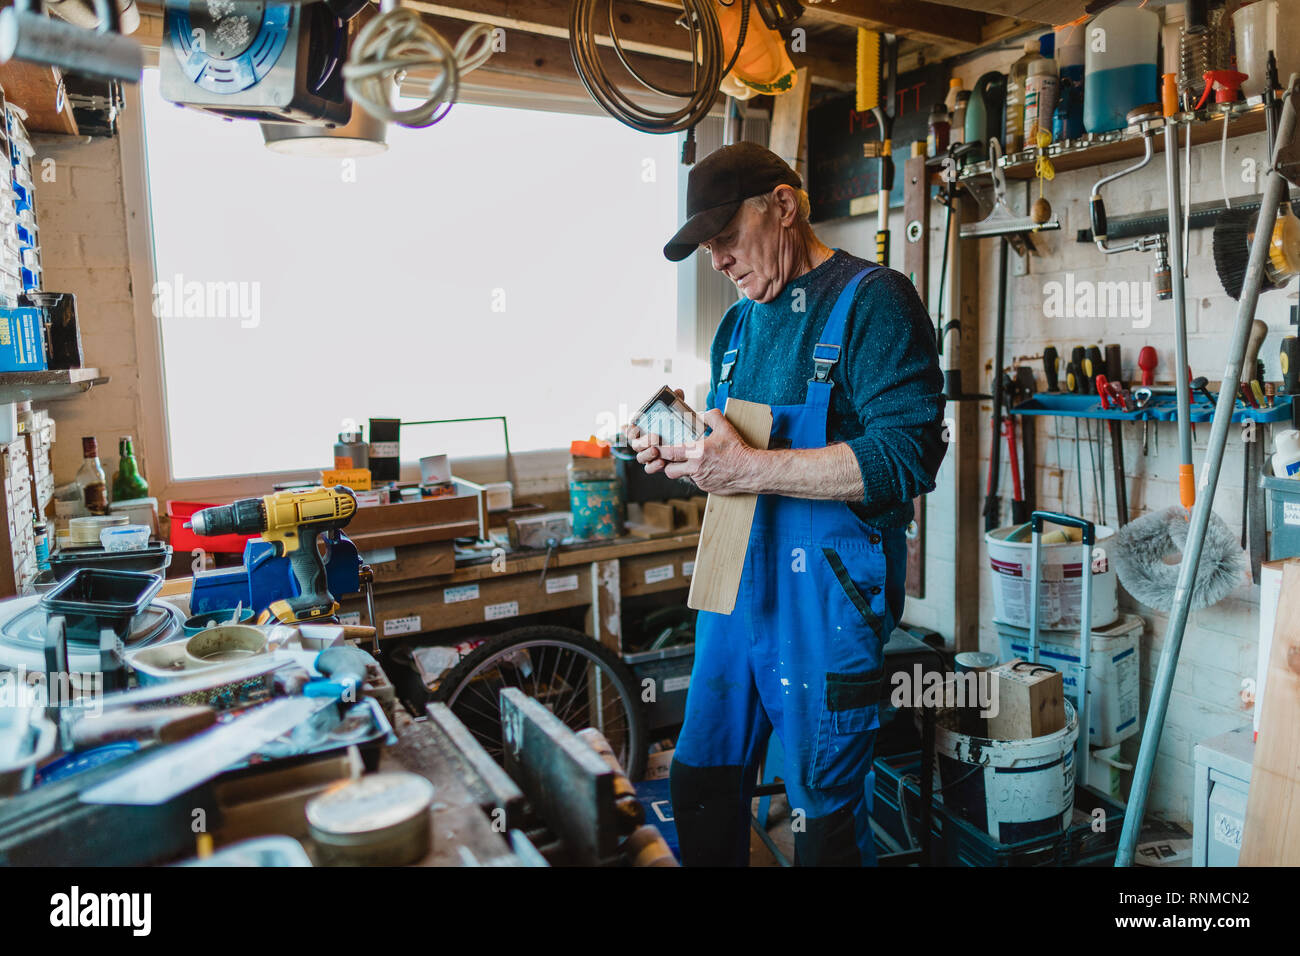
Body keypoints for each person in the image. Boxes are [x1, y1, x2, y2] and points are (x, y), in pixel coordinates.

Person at [628, 142, 946, 866]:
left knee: (820, 814)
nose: (718, 260)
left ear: (783, 206)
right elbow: (736, 463)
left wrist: (746, 466)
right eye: (706, 247)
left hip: (824, 608)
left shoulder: (875, 301)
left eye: (725, 237)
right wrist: (686, 457)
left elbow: (907, 457)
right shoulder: (738, 327)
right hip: (733, 588)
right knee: (699, 779)